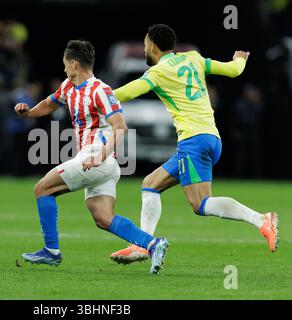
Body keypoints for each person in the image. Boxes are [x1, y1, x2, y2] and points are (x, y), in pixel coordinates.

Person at [110, 24, 278, 264]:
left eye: (146, 44)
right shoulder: (193, 58)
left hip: (194, 141)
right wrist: (240, 60)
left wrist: (91, 95)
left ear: (154, 46)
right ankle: (142, 245)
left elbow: (125, 93)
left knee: (200, 204)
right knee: (150, 184)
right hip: (210, 137)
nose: (145, 48)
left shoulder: (157, 73)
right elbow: (233, 71)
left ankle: (262, 220)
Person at [14, 40, 169, 274]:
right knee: (103, 218)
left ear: (75, 64)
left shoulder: (101, 90)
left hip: (97, 158)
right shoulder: (69, 86)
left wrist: (100, 157)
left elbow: (120, 127)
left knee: (42, 189)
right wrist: (29, 113)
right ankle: (153, 244)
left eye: (66, 65)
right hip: (98, 162)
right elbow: (49, 104)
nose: (64, 69)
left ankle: (51, 251)